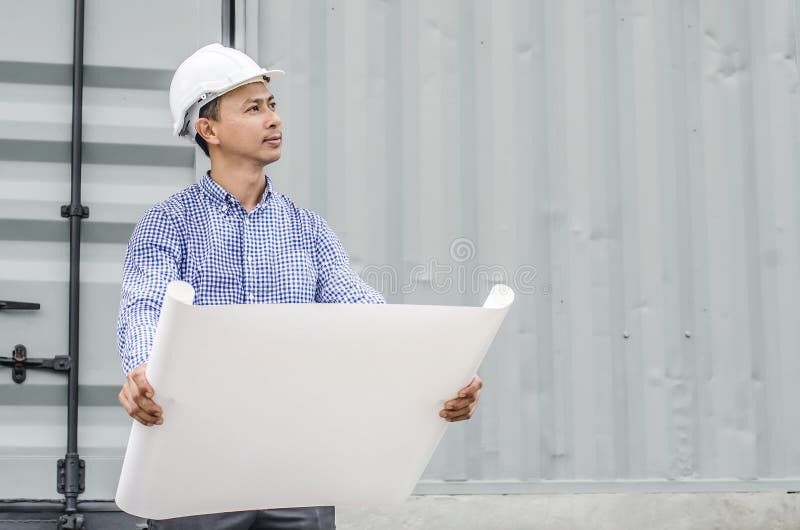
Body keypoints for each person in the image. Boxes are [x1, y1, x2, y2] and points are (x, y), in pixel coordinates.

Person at [116, 43, 483, 530]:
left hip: (297, 472)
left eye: (272, 105)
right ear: (208, 130)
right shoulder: (169, 223)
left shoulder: (306, 229)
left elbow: (366, 316)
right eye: (253, 108)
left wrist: (441, 374)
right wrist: (143, 376)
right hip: (198, 472)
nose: (273, 119)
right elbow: (143, 308)